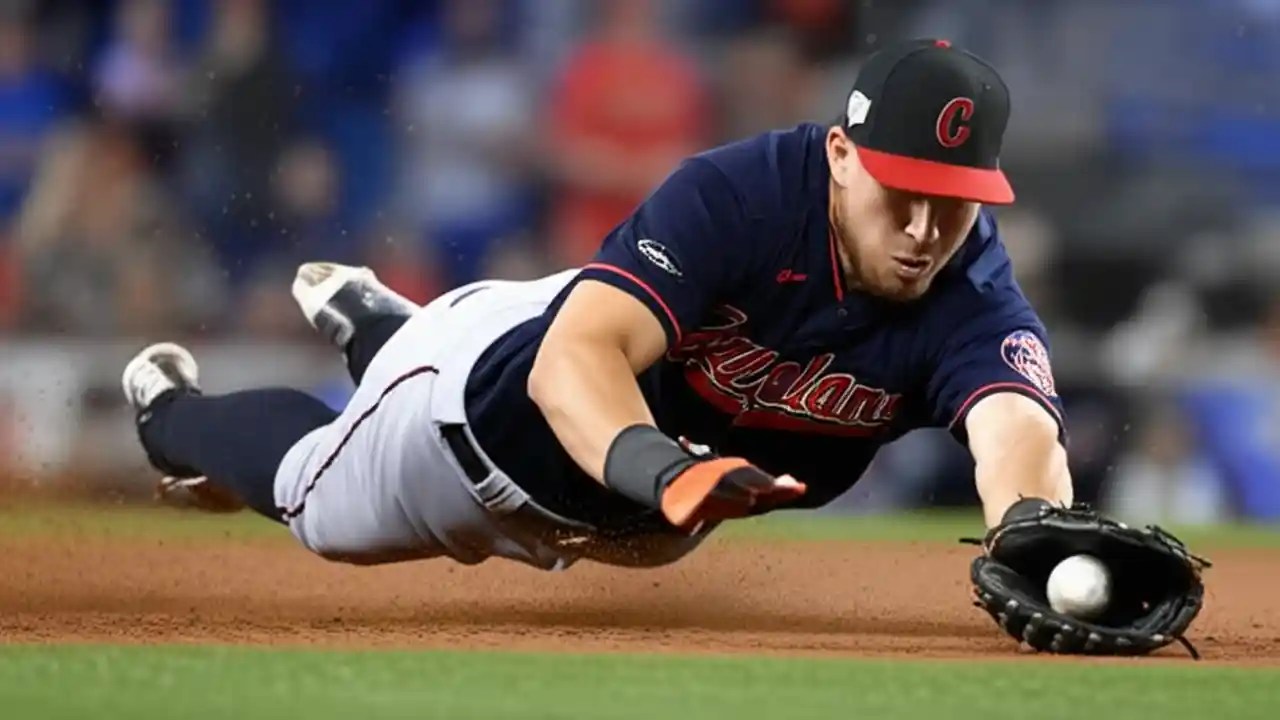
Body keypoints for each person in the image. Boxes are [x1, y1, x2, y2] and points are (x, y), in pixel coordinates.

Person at [123, 39, 1073, 570]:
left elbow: (1016, 429)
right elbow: (568, 364)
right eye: (899, 191)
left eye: (953, 202)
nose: (922, 228)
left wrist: (1030, 532)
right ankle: (172, 412)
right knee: (312, 500)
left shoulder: (971, 291)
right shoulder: (741, 197)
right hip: (480, 420)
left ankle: (379, 323)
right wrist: (663, 473)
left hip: (621, 516)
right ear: (838, 154)